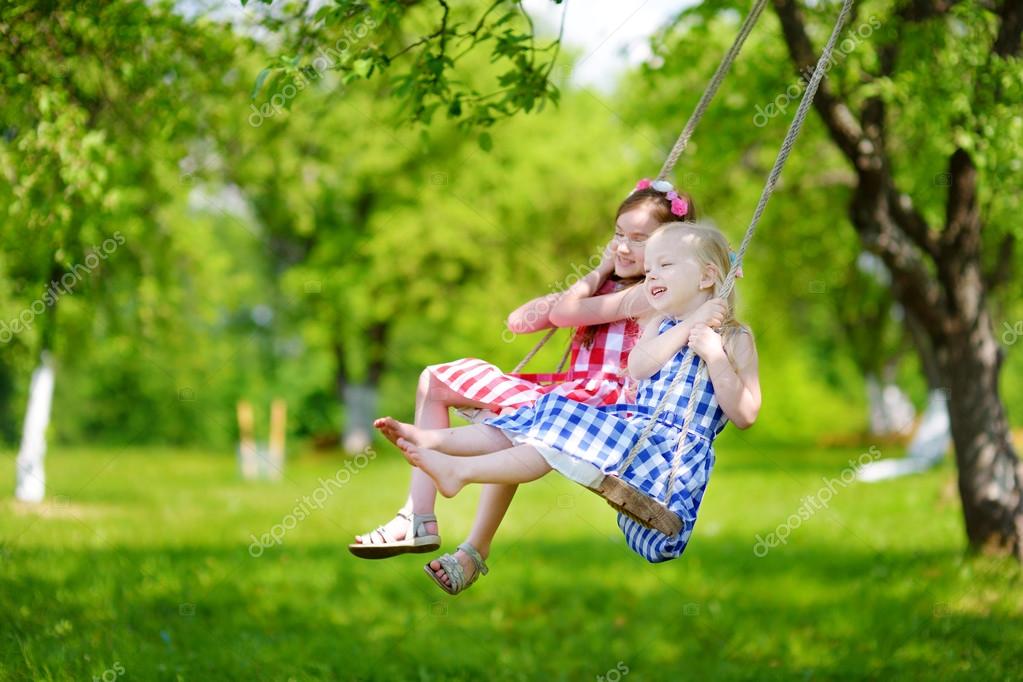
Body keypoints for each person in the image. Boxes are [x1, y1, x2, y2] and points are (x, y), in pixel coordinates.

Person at [375, 222, 761, 593]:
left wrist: (714, 356)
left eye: (665, 265)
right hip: (635, 440)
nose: (652, 276)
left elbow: (745, 414)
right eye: (649, 268)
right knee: (554, 423)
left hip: (666, 464)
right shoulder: (660, 325)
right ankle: (449, 457)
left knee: (561, 420)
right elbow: (639, 366)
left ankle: (445, 454)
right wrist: (687, 325)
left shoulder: (735, 339)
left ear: (708, 276)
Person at [349, 180, 697, 565]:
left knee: (519, 425)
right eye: (617, 235)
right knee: (435, 379)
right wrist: (600, 273)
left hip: (596, 409)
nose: (622, 247)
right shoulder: (605, 288)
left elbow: (564, 314)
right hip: (565, 396)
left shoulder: (650, 292)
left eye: (638, 238)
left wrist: (596, 272)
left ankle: (470, 539)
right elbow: (519, 321)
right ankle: (417, 516)